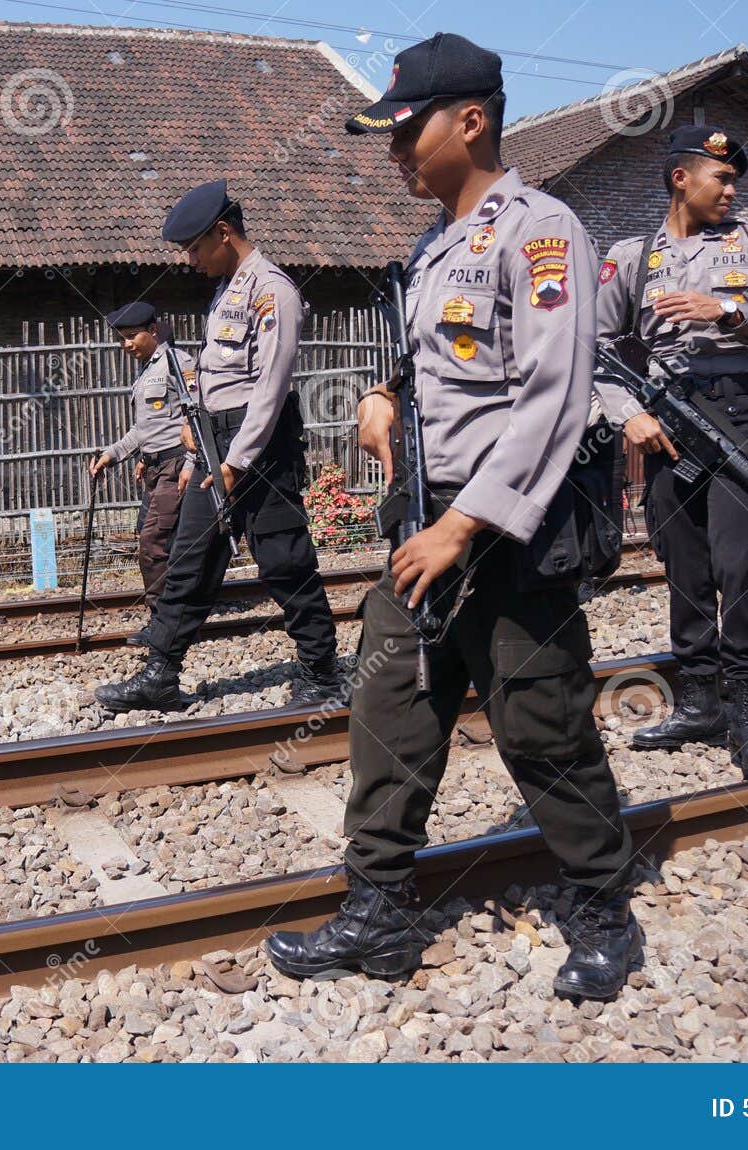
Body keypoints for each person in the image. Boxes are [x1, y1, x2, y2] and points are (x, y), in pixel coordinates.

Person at [263, 32, 640, 1001]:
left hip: (504, 540)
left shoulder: (541, 232)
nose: (392, 153)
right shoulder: (434, 249)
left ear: (469, 121)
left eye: (405, 133)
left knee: (543, 730)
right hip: (419, 526)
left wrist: (462, 526)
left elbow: (554, 394)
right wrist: (384, 395)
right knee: (386, 719)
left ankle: (602, 903)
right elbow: (440, 366)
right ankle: (378, 911)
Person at [593, 125, 748, 780]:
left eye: (736, 178)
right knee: (684, 562)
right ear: (681, 178)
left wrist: (727, 310)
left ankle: (746, 705)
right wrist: (626, 415)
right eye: (722, 177)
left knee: (740, 561)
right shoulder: (631, 258)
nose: (733, 189)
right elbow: (594, 348)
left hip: (738, 413)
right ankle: (697, 701)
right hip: (667, 422)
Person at [94, 180, 341, 711]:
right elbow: (212, 374)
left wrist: (235, 463)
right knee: (189, 554)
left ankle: (322, 672)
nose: (189, 260)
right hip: (213, 442)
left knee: (283, 560)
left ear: (223, 233)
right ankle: (160, 671)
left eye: (194, 248)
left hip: (259, 445)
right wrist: (194, 442)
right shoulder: (225, 290)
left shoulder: (271, 291)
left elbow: (270, 389)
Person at [90, 301, 196, 646]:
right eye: (121, 339)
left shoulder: (178, 365)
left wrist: (192, 464)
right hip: (154, 468)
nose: (126, 344)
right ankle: (175, 611)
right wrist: (114, 455)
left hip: (176, 466)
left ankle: (164, 622)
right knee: (153, 538)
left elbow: (198, 417)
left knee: (154, 543)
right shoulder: (145, 370)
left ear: (152, 331)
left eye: (132, 336)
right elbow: (144, 429)